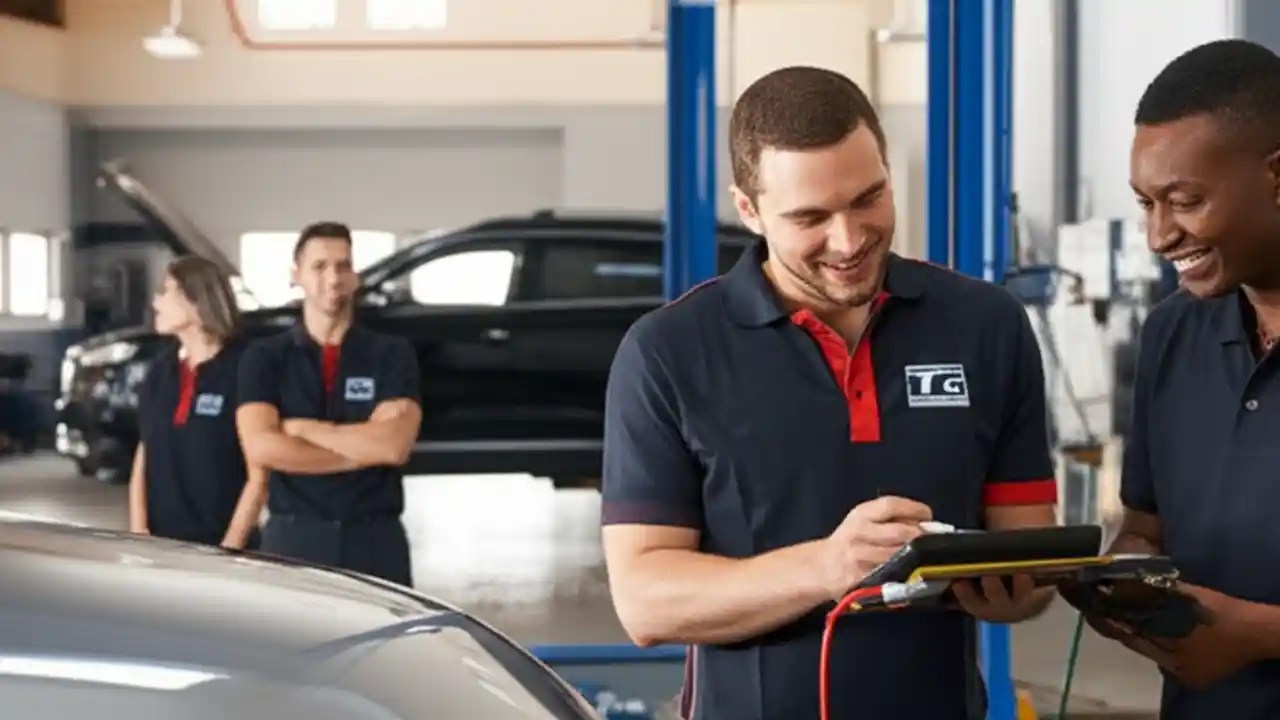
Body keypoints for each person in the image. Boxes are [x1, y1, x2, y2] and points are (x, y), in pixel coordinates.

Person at [600, 65, 1060, 720]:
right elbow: (645, 602)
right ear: (749, 209)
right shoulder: (670, 352)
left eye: (869, 199)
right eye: (810, 217)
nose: (848, 240)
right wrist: (827, 567)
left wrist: (1019, 590)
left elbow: (1031, 555)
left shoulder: (986, 326)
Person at [1068, 39, 1280, 717]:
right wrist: (1121, 586)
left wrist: (1256, 636)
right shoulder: (1171, 335)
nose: (1159, 236)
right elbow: (1146, 530)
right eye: (1145, 204)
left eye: (1184, 201)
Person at [235, 221, 421, 586]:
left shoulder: (391, 354)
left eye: (343, 266)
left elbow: (393, 446)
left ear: (355, 277)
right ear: (296, 276)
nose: (333, 279)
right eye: (319, 267)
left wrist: (304, 430)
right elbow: (262, 447)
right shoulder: (265, 358)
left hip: (375, 539)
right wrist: (361, 450)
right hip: (294, 540)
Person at [128, 255, 266, 549]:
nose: (156, 302)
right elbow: (145, 451)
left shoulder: (244, 368)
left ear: (196, 300)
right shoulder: (160, 371)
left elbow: (260, 473)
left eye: (166, 291)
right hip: (160, 547)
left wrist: (231, 547)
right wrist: (139, 531)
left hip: (223, 547)